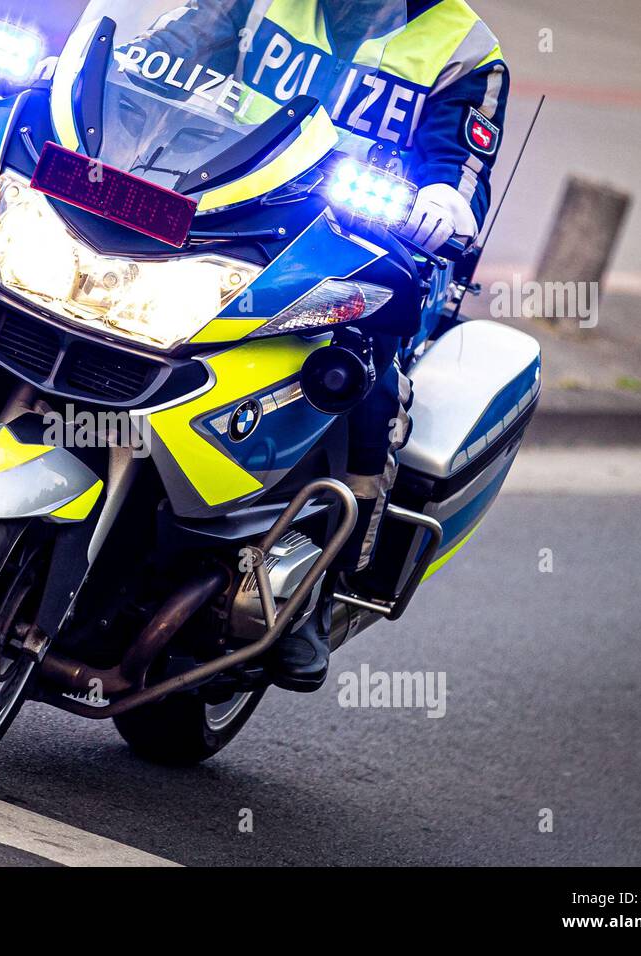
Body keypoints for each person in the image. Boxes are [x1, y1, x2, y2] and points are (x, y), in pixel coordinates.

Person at [125, 0, 508, 689]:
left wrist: (444, 204)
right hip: (225, 215)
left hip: (361, 258)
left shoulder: (467, 51)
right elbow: (164, 52)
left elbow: (463, 177)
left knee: (364, 383)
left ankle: (317, 590)